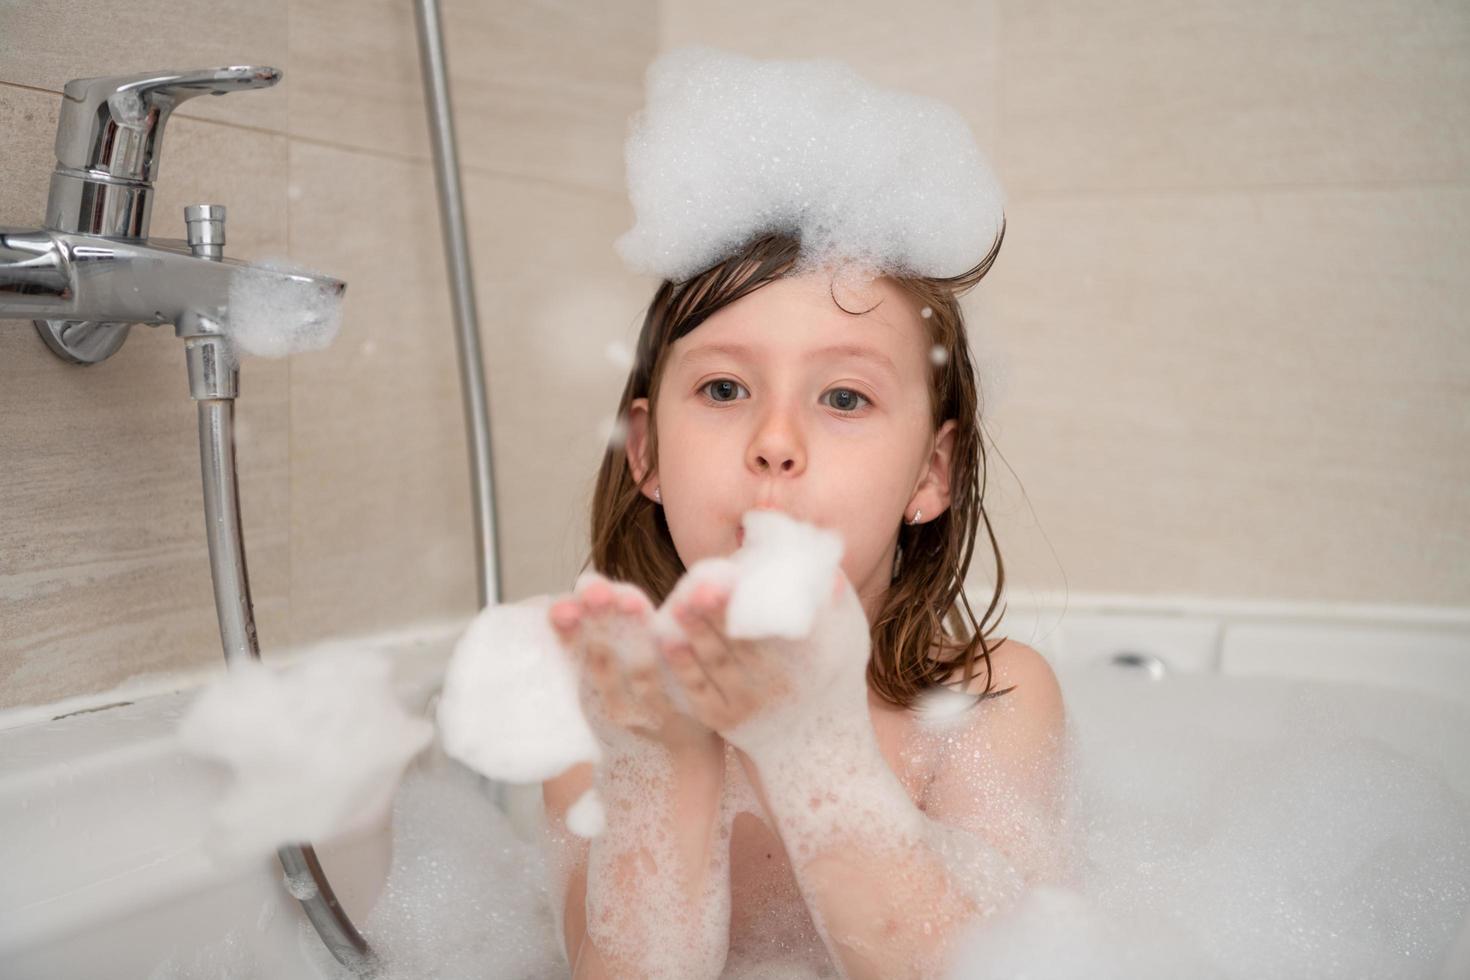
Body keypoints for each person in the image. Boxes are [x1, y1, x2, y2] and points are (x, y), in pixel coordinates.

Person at [540, 228, 1075, 980]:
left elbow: (1005, 966)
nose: (776, 441)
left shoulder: (986, 701)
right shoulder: (605, 709)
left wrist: (814, 754)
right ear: (648, 451)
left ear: (931, 471)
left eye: (844, 397)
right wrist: (661, 771)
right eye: (723, 388)